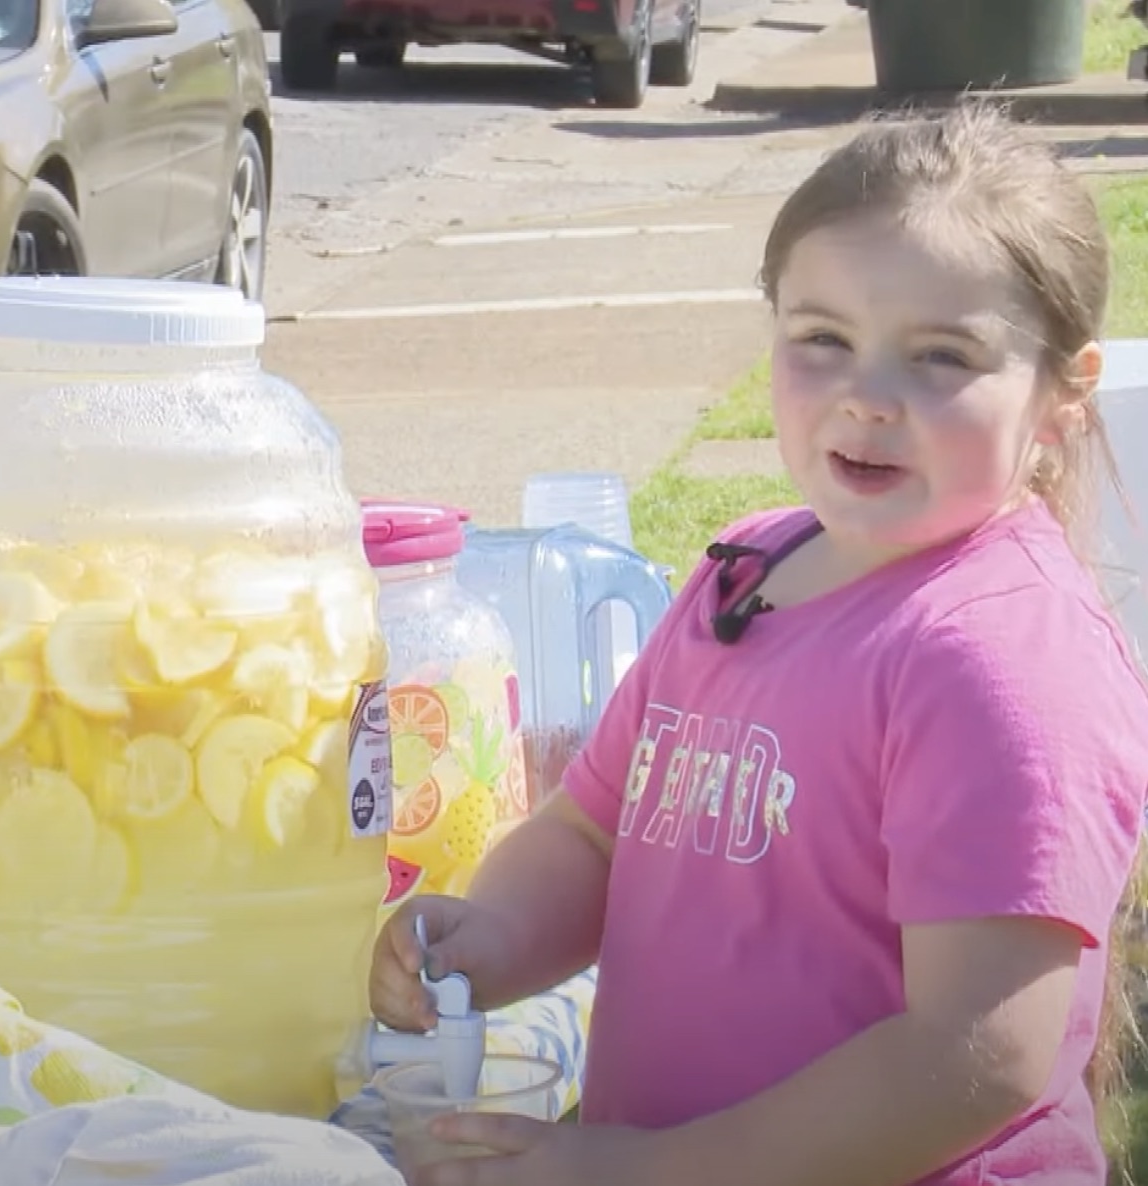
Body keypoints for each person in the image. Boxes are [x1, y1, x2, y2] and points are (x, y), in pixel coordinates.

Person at [369, 100, 1148, 1186]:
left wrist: (642, 1170)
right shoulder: (748, 569)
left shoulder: (1000, 659)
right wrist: (485, 939)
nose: (868, 398)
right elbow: (594, 836)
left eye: (942, 357)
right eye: (823, 339)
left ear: (1064, 395)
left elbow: (976, 1056)